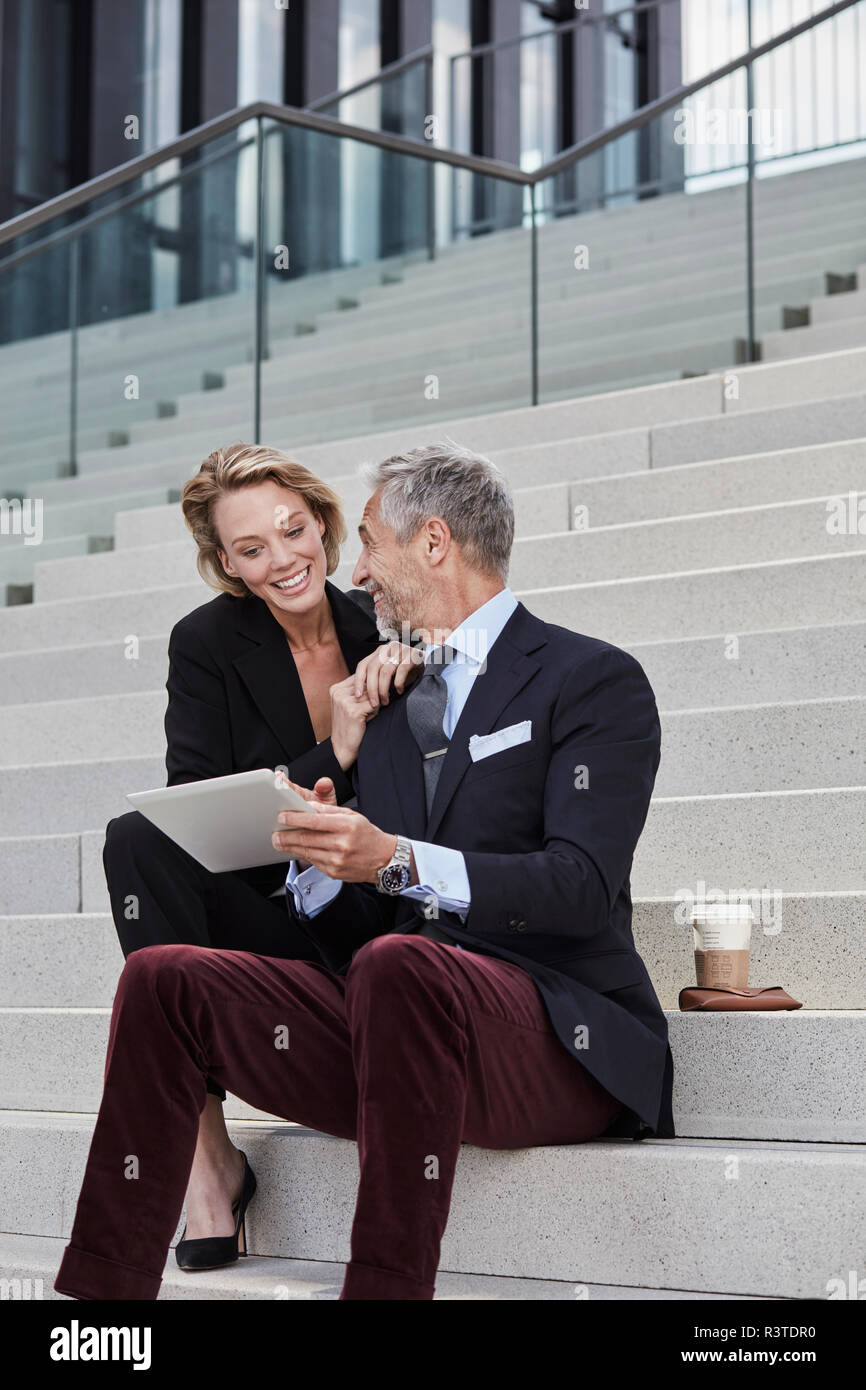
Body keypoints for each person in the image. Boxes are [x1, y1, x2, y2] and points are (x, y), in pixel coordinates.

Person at [54, 441, 674, 1302]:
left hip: (555, 1035)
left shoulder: (590, 678)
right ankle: (96, 1310)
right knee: (165, 979)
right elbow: (361, 933)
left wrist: (394, 859)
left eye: (370, 542)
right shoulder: (384, 704)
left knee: (399, 963)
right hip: (402, 1025)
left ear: (431, 542)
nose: (354, 570)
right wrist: (319, 861)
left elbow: (578, 888)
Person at [100, 441, 420, 1271]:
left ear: (322, 522)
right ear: (227, 566)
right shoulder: (205, 644)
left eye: (293, 529)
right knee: (139, 842)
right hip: (271, 909)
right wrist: (331, 754)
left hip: (376, 907)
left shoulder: (383, 620)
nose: (284, 559)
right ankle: (210, 1164)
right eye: (252, 549)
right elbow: (199, 810)